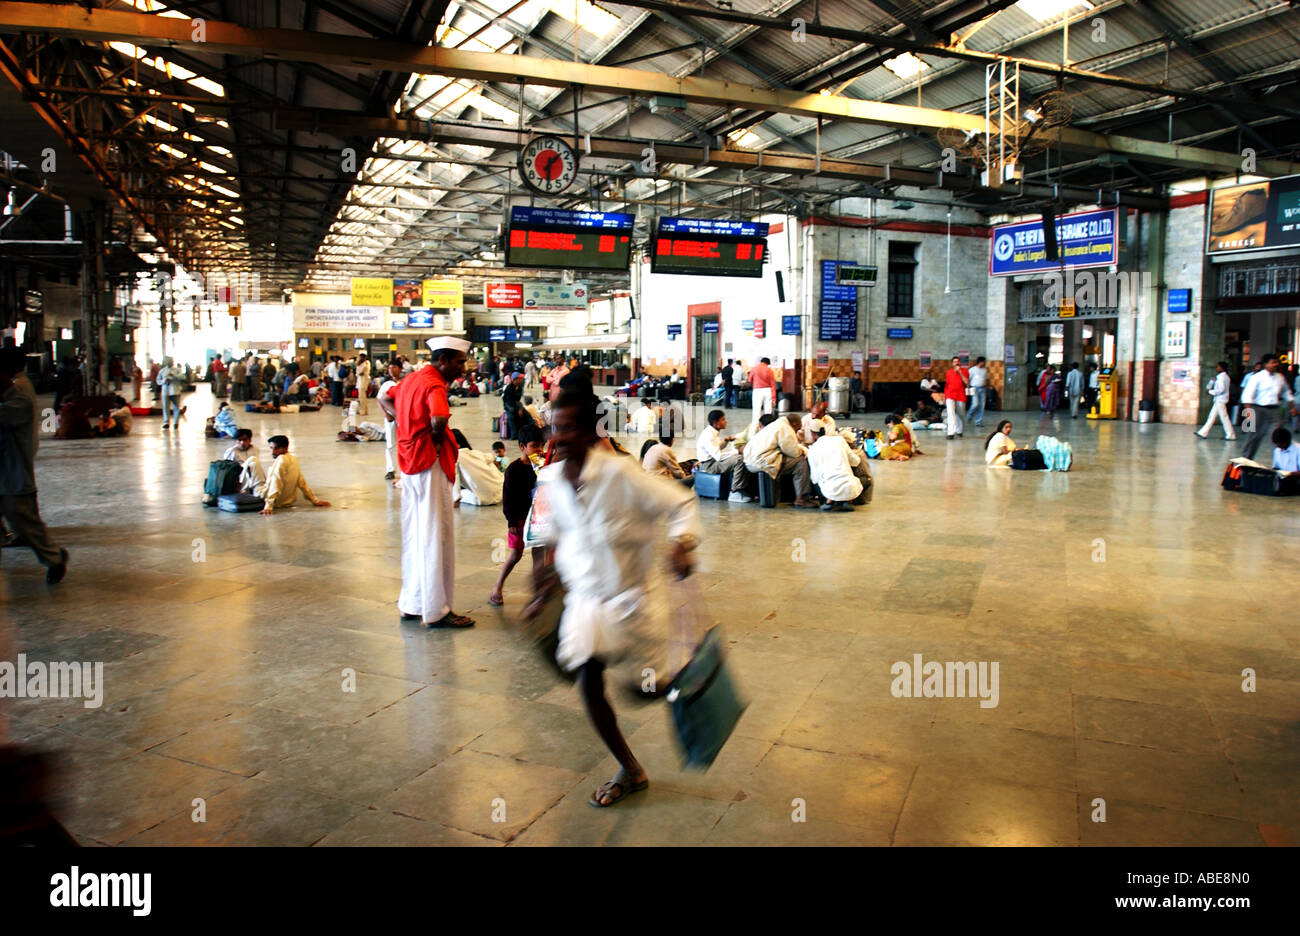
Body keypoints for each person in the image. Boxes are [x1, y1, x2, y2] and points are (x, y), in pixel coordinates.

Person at [524, 381, 701, 808]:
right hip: (586, 602)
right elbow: (546, 537)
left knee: (642, 690)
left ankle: (685, 686)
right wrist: (541, 585)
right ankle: (630, 768)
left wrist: (682, 544)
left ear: (588, 432)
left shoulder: (621, 473)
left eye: (567, 429)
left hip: (634, 600)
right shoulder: (548, 479)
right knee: (589, 681)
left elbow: (680, 503)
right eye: (554, 429)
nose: (558, 438)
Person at [394, 336, 475, 628]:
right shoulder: (434, 383)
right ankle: (437, 610)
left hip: (409, 464)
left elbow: (385, 400)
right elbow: (439, 416)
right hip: (430, 464)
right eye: (459, 362)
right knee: (435, 537)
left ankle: (413, 604)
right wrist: (437, 441)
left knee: (415, 535)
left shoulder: (410, 380)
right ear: (443, 360)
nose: (462, 368)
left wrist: (408, 429)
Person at [0, 347, 68, 584]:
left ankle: (54, 558)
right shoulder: (15, 388)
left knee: (25, 521)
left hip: (14, 470)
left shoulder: (19, 389)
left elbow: (5, 417)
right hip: (8, 469)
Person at [488, 424, 545, 607]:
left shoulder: (543, 467)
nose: (539, 450)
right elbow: (508, 498)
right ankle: (497, 587)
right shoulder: (513, 469)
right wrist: (511, 520)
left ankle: (538, 593)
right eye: (534, 445)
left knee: (539, 555)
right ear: (522, 447)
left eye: (542, 445)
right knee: (515, 555)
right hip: (519, 519)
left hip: (537, 518)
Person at [743, 413, 818, 508]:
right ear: (794, 424)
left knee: (787, 460)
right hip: (761, 462)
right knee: (800, 462)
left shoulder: (776, 424)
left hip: (749, 461)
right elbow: (793, 452)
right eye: (797, 429)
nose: (797, 431)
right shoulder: (786, 428)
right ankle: (801, 498)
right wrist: (802, 451)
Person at [1240, 354, 1296, 460]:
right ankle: (1245, 460)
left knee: (1275, 436)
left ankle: (1280, 461)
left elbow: (1286, 393)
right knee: (1254, 436)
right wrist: (1248, 413)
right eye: (1273, 362)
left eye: (1276, 362)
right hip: (1257, 409)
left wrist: (1292, 407)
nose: (1276, 364)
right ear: (1265, 364)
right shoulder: (1256, 377)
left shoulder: (1280, 377)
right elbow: (1247, 396)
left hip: (1274, 410)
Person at [257, 436, 329, 514]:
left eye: (276, 448)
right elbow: (301, 482)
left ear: (285, 448)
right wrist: (315, 500)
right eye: (271, 448)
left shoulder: (281, 459)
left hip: (268, 500)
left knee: (252, 461)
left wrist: (268, 506)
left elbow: (276, 482)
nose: (272, 452)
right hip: (286, 502)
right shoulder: (294, 459)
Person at [807, 428, 872, 511]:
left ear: (812, 434)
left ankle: (829, 501)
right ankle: (847, 501)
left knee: (819, 481)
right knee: (866, 480)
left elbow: (814, 478)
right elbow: (856, 461)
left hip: (829, 489)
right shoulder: (840, 440)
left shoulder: (812, 449)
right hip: (849, 486)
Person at [696, 409, 753, 502]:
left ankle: (742, 489)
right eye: (722, 420)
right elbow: (718, 456)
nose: (725, 421)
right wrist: (736, 452)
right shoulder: (709, 436)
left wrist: (726, 441)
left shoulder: (712, 432)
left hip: (713, 461)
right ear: (715, 423)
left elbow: (717, 447)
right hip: (710, 465)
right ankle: (735, 492)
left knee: (737, 458)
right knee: (739, 460)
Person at [453, 429, 504, 506]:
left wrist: (455, 499)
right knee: (488, 462)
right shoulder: (476, 453)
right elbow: (491, 457)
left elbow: (455, 479)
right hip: (503, 490)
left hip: (487, 498)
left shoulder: (455, 458)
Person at [641, 419, 694, 488]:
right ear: (672, 439)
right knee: (693, 478)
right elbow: (677, 472)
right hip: (661, 484)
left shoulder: (653, 447)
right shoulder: (667, 450)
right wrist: (685, 476)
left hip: (647, 481)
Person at [375, 359, 403, 481]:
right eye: (390, 368)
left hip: (404, 416)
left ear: (400, 369)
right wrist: (386, 414)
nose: (391, 370)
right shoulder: (386, 385)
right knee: (391, 443)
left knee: (405, 442)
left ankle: (405, 468)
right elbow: (379, 400)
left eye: (394, 368)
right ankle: (391, 469)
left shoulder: (404, 382)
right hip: (391, 416)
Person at [1196, 361, 1236, 441]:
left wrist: (1210, 392)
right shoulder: (1225, 377)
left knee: (1224, 418)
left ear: (1222, 368)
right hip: (1220, 400)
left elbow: (1220, 390)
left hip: (1220, 400)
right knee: (1212, 416)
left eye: (1218, 367)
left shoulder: (1221, 377)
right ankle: (1203, 432)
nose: (1217, 368)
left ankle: (1231, 435)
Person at [223, 428, 266, 493]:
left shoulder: (255, 450)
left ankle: (259, 490)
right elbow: (228, 470)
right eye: (239, 440)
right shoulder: (231, 451)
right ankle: (258, 490)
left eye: (245, 440)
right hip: (238, 477)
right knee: (253, 459)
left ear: (250, 440)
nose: (242, 442)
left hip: (252, 474)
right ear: (236, 441)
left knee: (255, 464)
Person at [943, 356, 969, 439]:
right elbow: (947, 385)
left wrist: (960, 372)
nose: (956, 363)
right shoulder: (948, 372)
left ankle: (959, 430)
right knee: (951, 413)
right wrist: (945, 396)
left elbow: (967, 382)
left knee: (960, 414)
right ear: (952, 363)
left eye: (958, 361)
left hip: (960, 395)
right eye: (954, 362)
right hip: (950, 395)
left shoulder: (965, 371)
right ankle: (950, 433)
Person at [157, 358, 186, 430]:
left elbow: (183, 377)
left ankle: (176, 422)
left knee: (176, 407)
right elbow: (158, 381)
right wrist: (164, 380)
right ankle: (166, 422)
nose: (169, 362)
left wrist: (174, 376)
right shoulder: (162, 371)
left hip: (175, 391)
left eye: (171, 361)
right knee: (165, 407)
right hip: (165, 391)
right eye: (168, 361)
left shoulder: (177, 370)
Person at [750, 356, 776, 423]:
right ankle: (768, 424)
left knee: (756, 409)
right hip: (768, 390)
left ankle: (756, 425)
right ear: (767, 363)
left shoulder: (754, 368)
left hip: (757, 390)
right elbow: (773, 384)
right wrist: (774, 398)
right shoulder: (769, 370)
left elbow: (749, 380)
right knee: (768, 409)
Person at [502, 371, 527, 440]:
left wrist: (520, 409)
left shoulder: (519, 388)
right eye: (520, 379)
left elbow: (518, 400)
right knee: (511, 418)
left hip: (517, 405)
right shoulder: (509, 388)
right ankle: (514, 435)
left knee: (527, 415)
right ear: (515, 379)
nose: (521, 380)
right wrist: (517, 410)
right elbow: (509, 402)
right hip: (509, 407)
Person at [968, 357, 988, 427]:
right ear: (980, 362)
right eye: (984, 362)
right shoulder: (972, 370)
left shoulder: (985, 370)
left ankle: (978, 421)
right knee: (975, 404)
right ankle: (969, 416)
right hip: (974, 388)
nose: (984, 363)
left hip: (982, 389)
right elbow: (968, 379)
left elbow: (985, 380)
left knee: (981, 406)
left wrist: (986, 387)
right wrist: (968, 388)